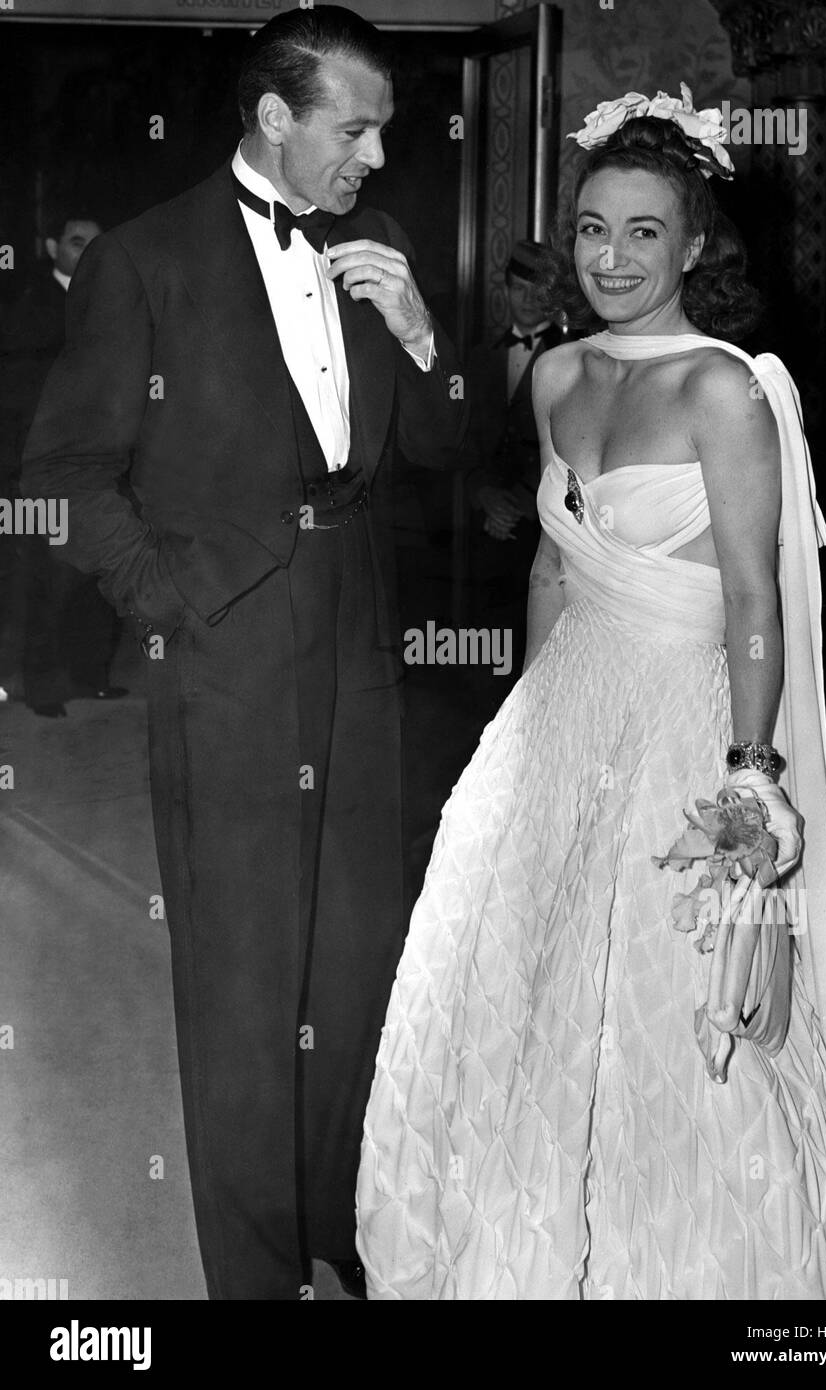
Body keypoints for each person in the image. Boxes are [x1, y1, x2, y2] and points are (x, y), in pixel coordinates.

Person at [356, 89, 826, 1299]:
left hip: (684, 716)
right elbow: (555, 563)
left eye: (643, 232)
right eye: (592, 228)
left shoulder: (726, 389)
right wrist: (521, 729)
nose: (611, 257)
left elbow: (758, 605)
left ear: (695, 243)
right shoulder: (558, 372)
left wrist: (749, 778)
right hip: (563, 710)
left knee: (677, 1009)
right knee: (515, 981)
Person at [21, 5, 467, 1301]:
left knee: (353, 946)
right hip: (226, 645)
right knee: (244, 972)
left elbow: (441, 451)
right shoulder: (148, 261)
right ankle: (257, 1274)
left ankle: (341, 1215)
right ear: (276, 116)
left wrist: (427, 339)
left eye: (384, 127)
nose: (379, 155)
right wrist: (169, 592)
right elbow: (61, 477)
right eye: (357, 126)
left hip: (360, 631)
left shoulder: (377, 245)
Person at [0, 212, 126, 715]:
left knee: (95, 575)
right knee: (43, 580)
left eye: (97, 246)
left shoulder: (112, 307)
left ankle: (90, 675)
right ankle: (43, 687)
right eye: (77, 244)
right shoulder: (28, 309)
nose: (87, 254)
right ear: (53, 247)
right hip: (39, 472)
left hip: (101, 468)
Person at [465, 240, 565, 670]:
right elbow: (460, 446)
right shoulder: (476, 358)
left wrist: (521, 504)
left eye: (538, 290)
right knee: (481, 662)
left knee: (538, 662)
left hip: (544, 536)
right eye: (518, 288)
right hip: (480, 536)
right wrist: (482, 494)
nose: (527, 299)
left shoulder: (573, 359)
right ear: (504, 290)